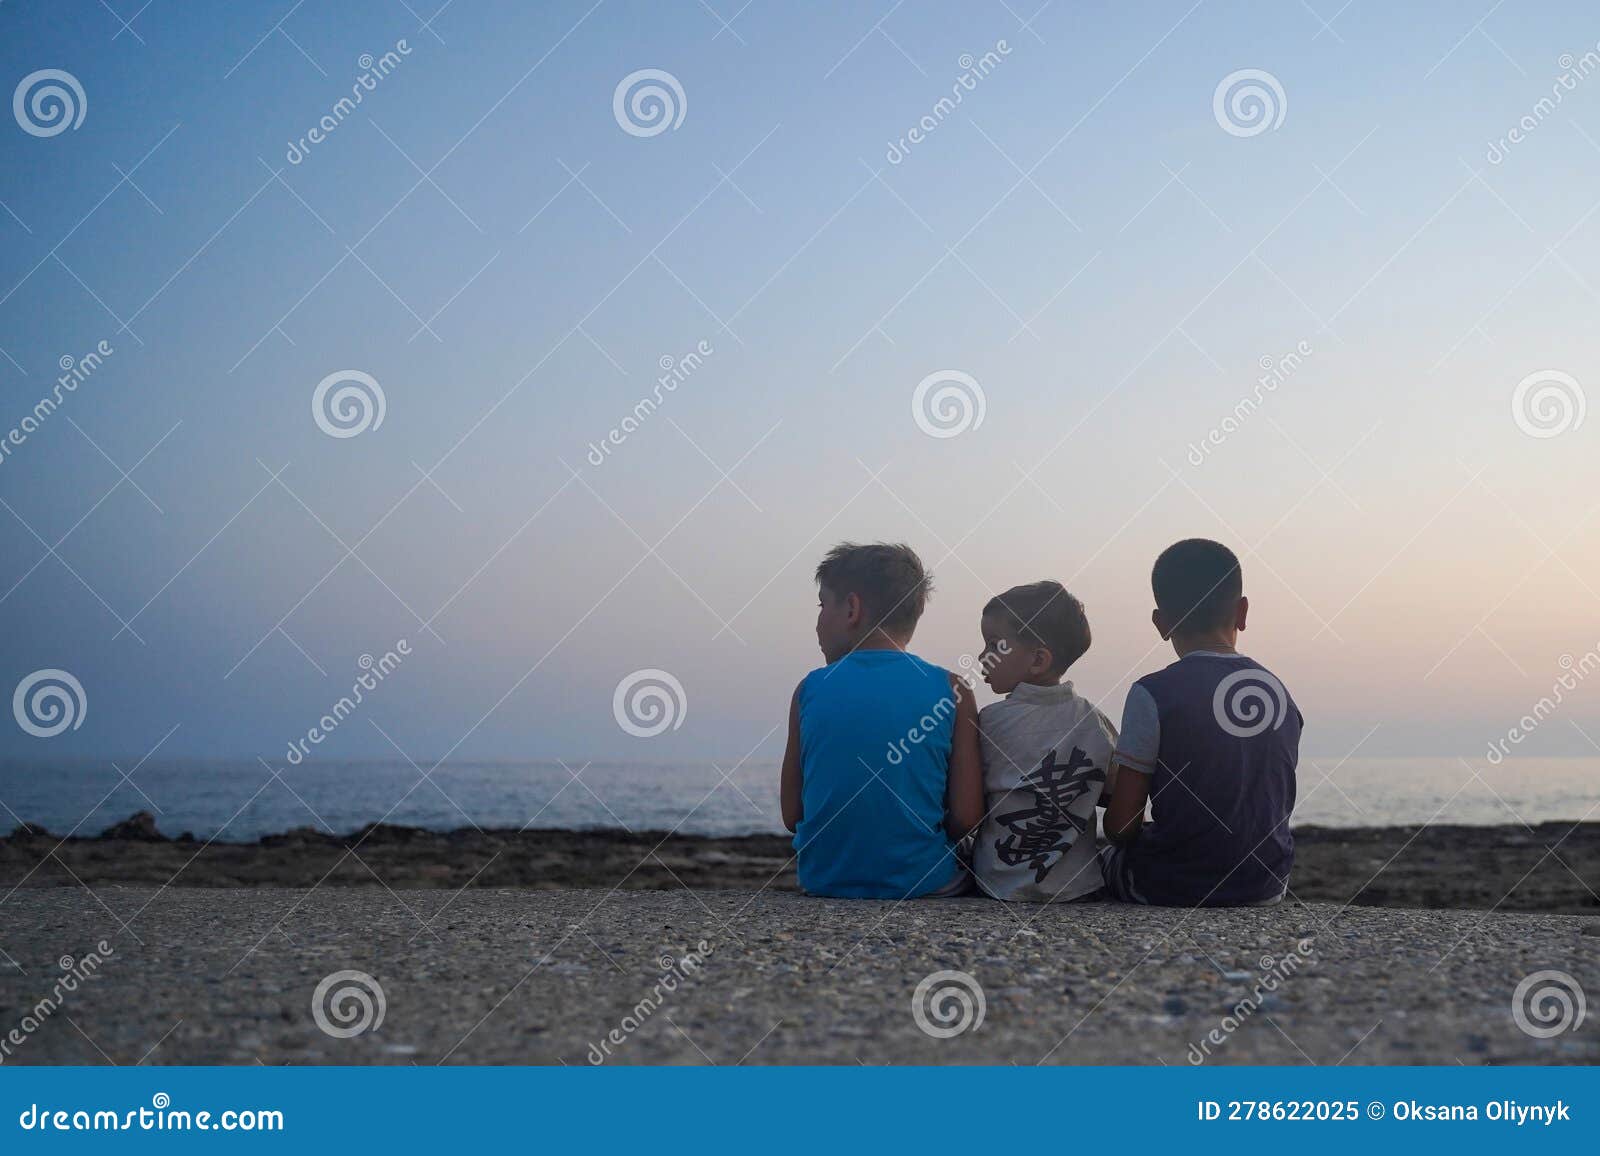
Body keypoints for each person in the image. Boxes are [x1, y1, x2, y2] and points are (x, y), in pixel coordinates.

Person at [1102, 539, 1302, 907]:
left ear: (1161, 623)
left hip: (1176, 887)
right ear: (1242, 612)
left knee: (1097, 863)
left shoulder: (1153, 693)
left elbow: (1120, 828)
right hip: (1267, 885)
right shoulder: (1278, 692)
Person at [779, 542, 983, 898]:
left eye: (822, 605)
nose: (817, 622)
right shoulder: (953, 690)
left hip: (823, 879)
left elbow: (792, 813)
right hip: (926, 881)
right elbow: (967, 817)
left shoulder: (809, 689)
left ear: (852, 609)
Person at [969, 581, 1118, 902]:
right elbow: (1116, 792)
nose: (982, 656)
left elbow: (966, 801)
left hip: (995, 884)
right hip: (1077, 888)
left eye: (994, 645)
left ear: (1037, 660)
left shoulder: (989, 722)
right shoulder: (1095, 721)